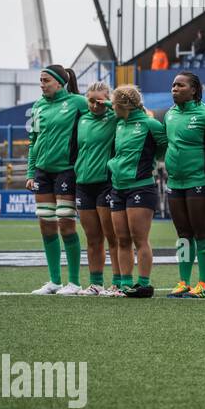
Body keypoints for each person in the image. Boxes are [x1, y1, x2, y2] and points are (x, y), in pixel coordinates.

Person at [26, 64, 88, 295]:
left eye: (46, 80)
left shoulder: (78, 103)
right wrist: (30, 173)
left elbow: (103, 117)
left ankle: (73, 282)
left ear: (59, 83)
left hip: (67, 171)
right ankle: (54, 281)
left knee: (66, 224)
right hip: (43, 172)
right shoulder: (37, 107)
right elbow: (33, 141)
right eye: (40, 80)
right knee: (46, 225)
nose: (42, 84)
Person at [107, 85, 168, 297]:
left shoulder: (149, 123)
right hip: (118, 187)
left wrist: (149, 161)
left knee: (139, 238)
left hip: (141, 187)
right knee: (121, 239)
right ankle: (125, 285)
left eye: (114, 103)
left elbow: (163, 146)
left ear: (123, 105)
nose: (111, 107)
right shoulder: (119, 124)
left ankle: (143, 285)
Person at [163, 71, 205, 299]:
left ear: (194, 89)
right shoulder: (169, 115)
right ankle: (184, 282)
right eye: (173, 85)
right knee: (183, 233)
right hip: (175, 181)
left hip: (200, 180)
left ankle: (203, 284)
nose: (174, 88)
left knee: (202, 231)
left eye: (180, 85)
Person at [73, 81, 121, 296]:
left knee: (112, 237)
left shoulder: (114, 118)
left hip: (105, 184)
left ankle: (118, 282)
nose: (94, 105)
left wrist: (110, 104)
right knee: (92, 238)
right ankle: (96, 284)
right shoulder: (82, 120)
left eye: (99, 101)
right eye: (91, 101)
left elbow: (138, 111)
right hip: (83, 185)